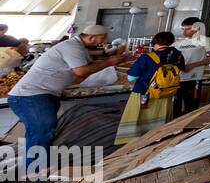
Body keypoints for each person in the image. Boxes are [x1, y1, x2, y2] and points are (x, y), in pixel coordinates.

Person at [6, 24, 129, 171]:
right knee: (42, 130)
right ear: (91, 37)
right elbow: (81, 70)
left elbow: (90, 62)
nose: (102, 43)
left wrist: (111, 58)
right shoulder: (72, 47)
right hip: (31, 95)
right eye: (101, 39)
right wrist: (109, 62)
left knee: (37, 132)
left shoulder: (78, 47)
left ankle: (33, 165)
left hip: (41, 94)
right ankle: (33, 169)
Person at [115, 32, 186, 145]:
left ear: (155, 43)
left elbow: (131, 77)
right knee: (160, 120)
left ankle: (134, 143)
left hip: (144, 93)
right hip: (166, 94)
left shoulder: (147, 57)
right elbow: (180, 71)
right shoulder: (178, 56)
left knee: (137, 120)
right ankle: (157, 140)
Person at [174, 17, 210, 116]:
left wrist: (192, 65)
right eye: (183, 29)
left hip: (193, 79)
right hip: (177, 79)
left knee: (191, 107)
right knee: (175, 106)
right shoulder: (178, 44)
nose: (184, 32)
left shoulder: (205, 40)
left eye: (188, 29)